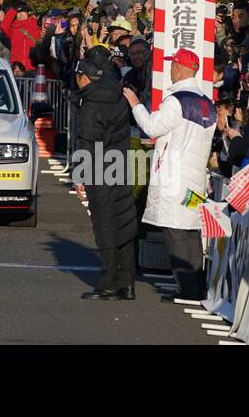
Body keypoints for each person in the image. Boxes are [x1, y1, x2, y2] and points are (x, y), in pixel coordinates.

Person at [122, 47, 216, 302]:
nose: (169, 69)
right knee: (191, 230)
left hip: (175, 177)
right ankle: (197, 285)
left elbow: (151, 126)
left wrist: (136, 105)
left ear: (180, 68)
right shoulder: (207, 103)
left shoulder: (177, 100)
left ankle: (186, 288)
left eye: (172, 65)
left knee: (175, 231)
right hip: (196, 176)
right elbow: (186, 136)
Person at [73, 47, 139, 300]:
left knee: (105, 223)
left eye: (80, 76)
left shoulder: (91, 105)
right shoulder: (118, 95)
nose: (78, 81)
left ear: (88, 76)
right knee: (123, 220)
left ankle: (109, 282)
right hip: (121, 164)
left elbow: (87, 143)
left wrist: (79, 176)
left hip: (99, 169)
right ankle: (127, 282)